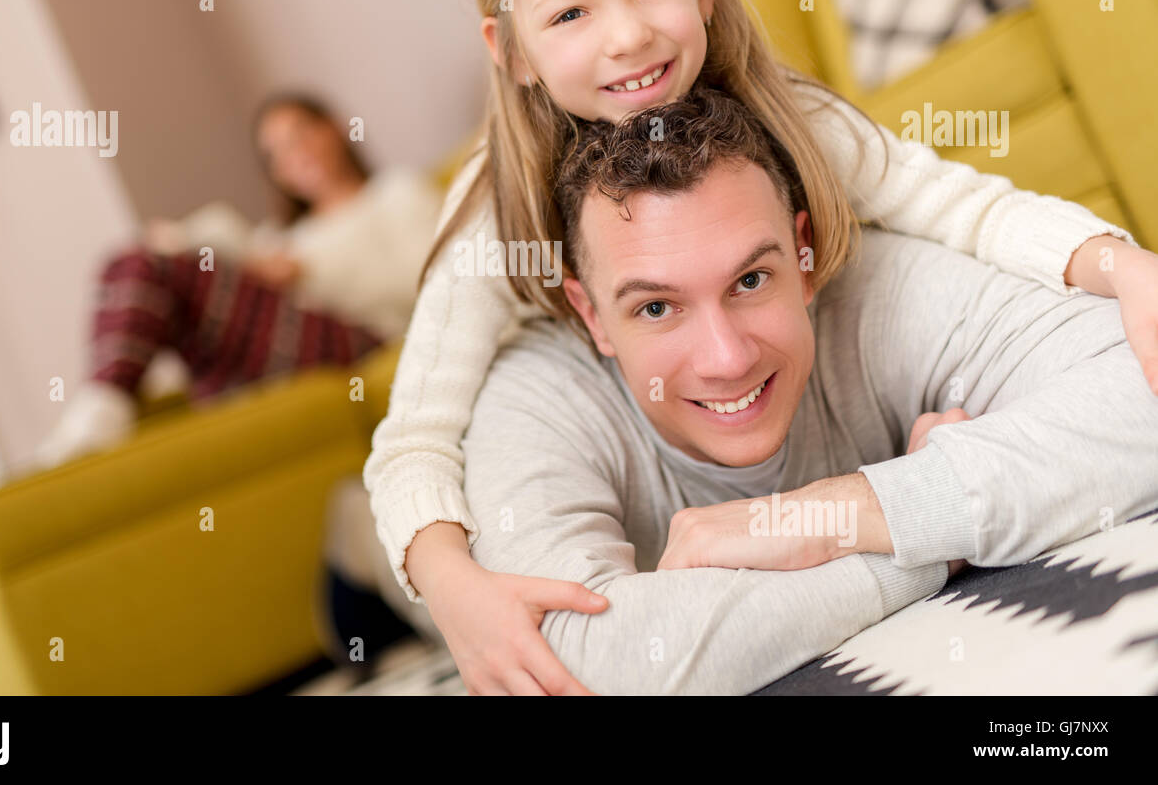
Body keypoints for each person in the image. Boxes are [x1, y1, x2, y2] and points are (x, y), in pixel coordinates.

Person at [358, 0, 1158, 695]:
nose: (627, 36)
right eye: (569, 14)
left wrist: (1119, 266)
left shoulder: (797, 121)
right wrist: (450, 585)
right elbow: (416, 437)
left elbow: (961, 206)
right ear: (509, 47)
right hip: (570, 455)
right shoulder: (496, 217)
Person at [454, 86, 1158, 694]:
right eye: (657, 307)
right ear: (591, 315)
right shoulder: (531, 398)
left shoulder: (873, 289)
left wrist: (828, 516)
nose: (727, 358)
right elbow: (590, 667)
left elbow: (1140, 389)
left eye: (752, 280)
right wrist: (929, 549)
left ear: (804, 253)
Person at [32, 93, 442, 467]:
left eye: (299, 135)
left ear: (334, 126)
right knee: (135, 261)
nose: (294, 155)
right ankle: (105, 401)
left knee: (163, 267)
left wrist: (308, 270)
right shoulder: (280, 238)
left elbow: (429, 282)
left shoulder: (395, 193)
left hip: (360, 339)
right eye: (276, 152)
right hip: (267, 353)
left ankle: (104, 404)